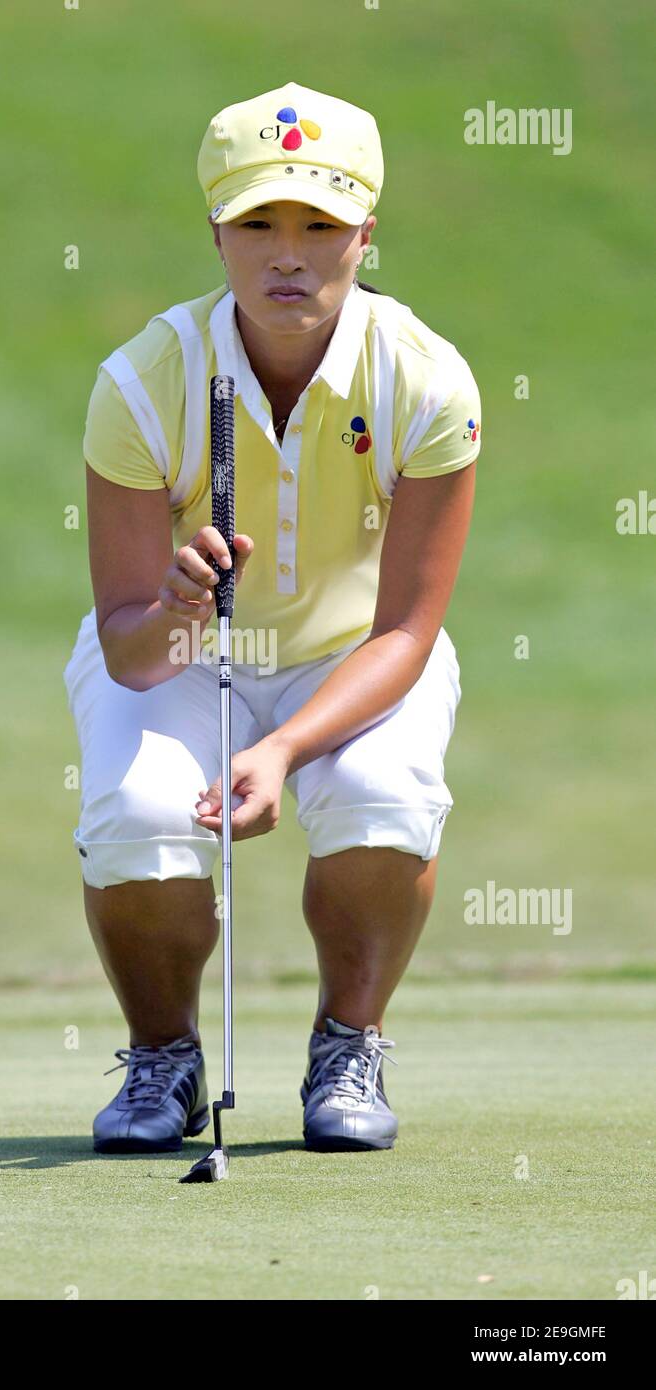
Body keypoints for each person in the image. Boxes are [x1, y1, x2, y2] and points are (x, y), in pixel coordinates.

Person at [63, 80, 481, 1155]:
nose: (285, 254)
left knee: (383, 794)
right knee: (133, 812)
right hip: (180, 658)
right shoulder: (143, 380)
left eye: (319, 225)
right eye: (256, 223)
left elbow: (406, 628)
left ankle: (348, 1040)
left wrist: (286, 750)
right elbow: (124, 639)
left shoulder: (427, 381)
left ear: (365, 234)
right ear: (215, 231)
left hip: (354, 656)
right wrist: (175, 602)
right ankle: (162, 1055)